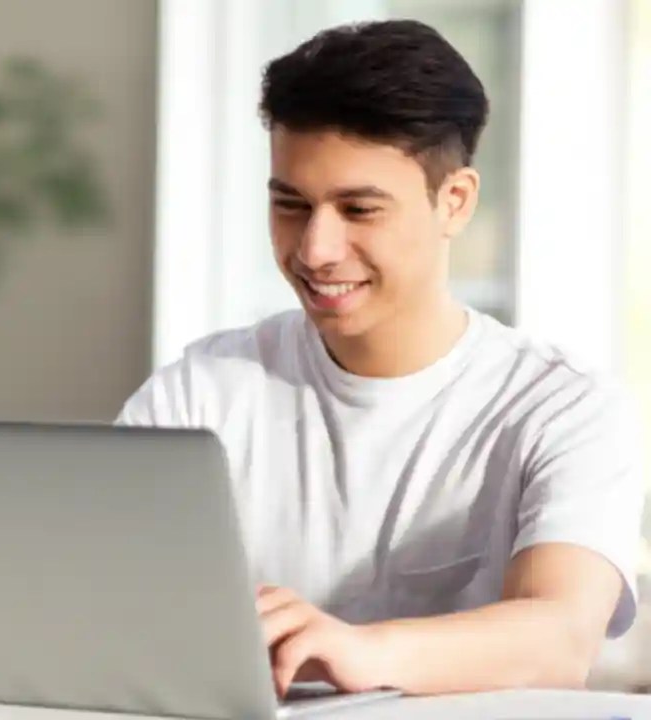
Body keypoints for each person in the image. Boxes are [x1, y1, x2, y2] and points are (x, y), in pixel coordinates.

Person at [117, 19, 645, 698]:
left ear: (453, 201)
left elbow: (559, 639)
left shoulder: (563, 407)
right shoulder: (199, 395)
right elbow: (110, 609)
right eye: (290, 204)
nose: (314, 249)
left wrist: (358, 650)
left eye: (359, 210)